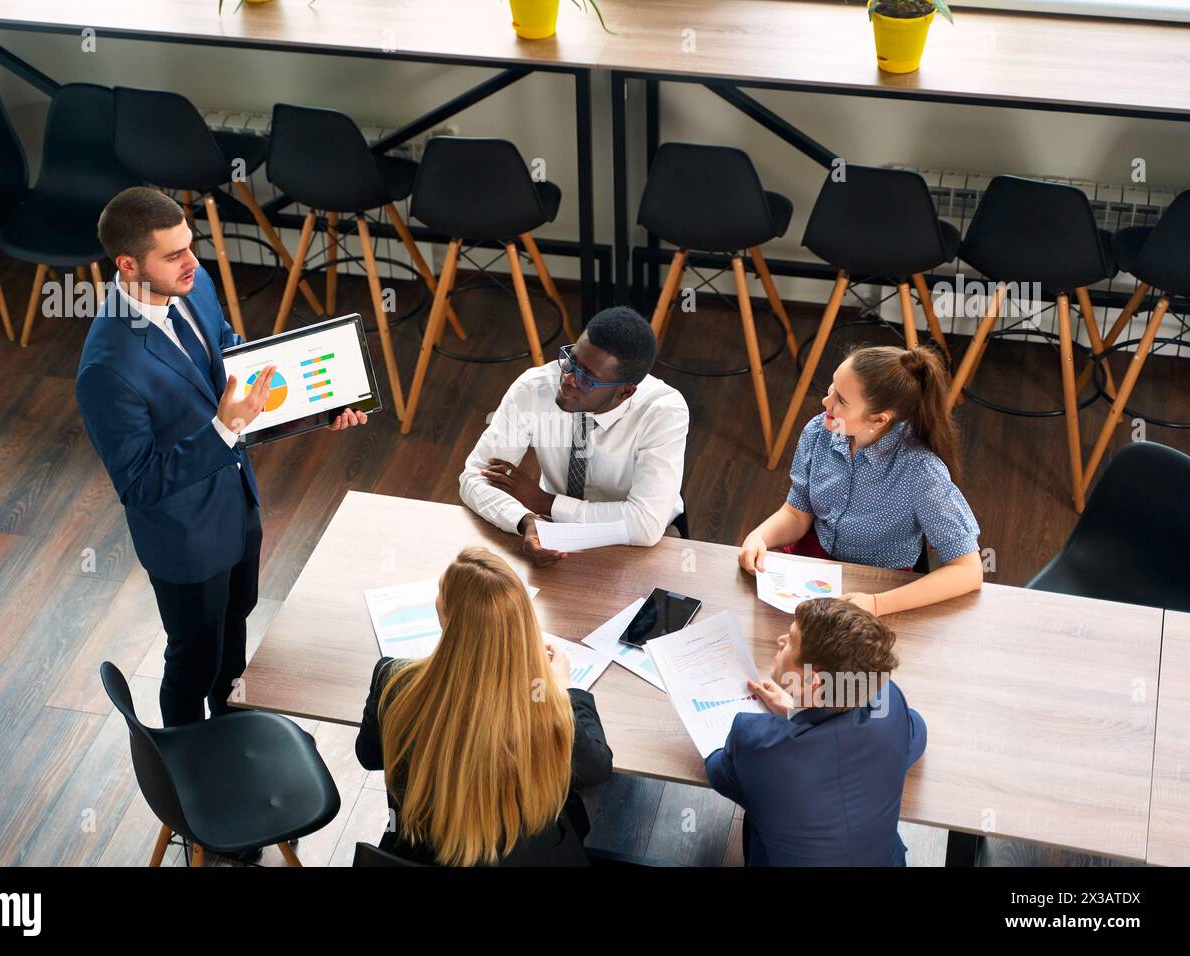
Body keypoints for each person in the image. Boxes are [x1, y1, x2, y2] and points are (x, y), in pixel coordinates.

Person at [77, 187, 367, 729]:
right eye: (174, 255)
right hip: (185, 541)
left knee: (236, 625)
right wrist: (225, 426)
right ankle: (187, 765)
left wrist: (318, 405)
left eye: (191, 247)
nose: (193, 263)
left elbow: (227, 353)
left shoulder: (193, 285)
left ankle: (230, 722)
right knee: (194, 657)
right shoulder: (106, 368)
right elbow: (139, 484)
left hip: (237, 505)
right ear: (128, 264)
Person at [355, 547, 613, 866]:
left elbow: (369, 757)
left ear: (444, 615)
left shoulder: (391, 679)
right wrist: (567, 691)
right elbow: (597, 767)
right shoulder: (544, 704)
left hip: (418, 852)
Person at [739, 344, 982, 615]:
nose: (826, 401)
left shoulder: (921, 472)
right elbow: (797, 514)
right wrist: (759, 536)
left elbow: (968, 571)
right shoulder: (819, 431)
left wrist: (877, 604)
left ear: (878, 420)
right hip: (810, 568)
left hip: (877, 586)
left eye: (841, 400)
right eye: (832, 387)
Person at [459, 306, 689, 566]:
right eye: (571, 360)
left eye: (587, 378)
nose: (568, 378)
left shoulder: (664, 412)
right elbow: (473, 478)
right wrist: (526, 519)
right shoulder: (533, 388)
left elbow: (644, 525)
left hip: (640, 545)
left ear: (625, 391)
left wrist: (546, 503)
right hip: (551, 529)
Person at [706, 597, 927, 866]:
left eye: (791, 639)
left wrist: (791, 722)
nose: (780, 641)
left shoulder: (758, 745)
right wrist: (795, 712)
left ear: (813, 681)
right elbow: (917, 734)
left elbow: (718, 770)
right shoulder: (890, 703)